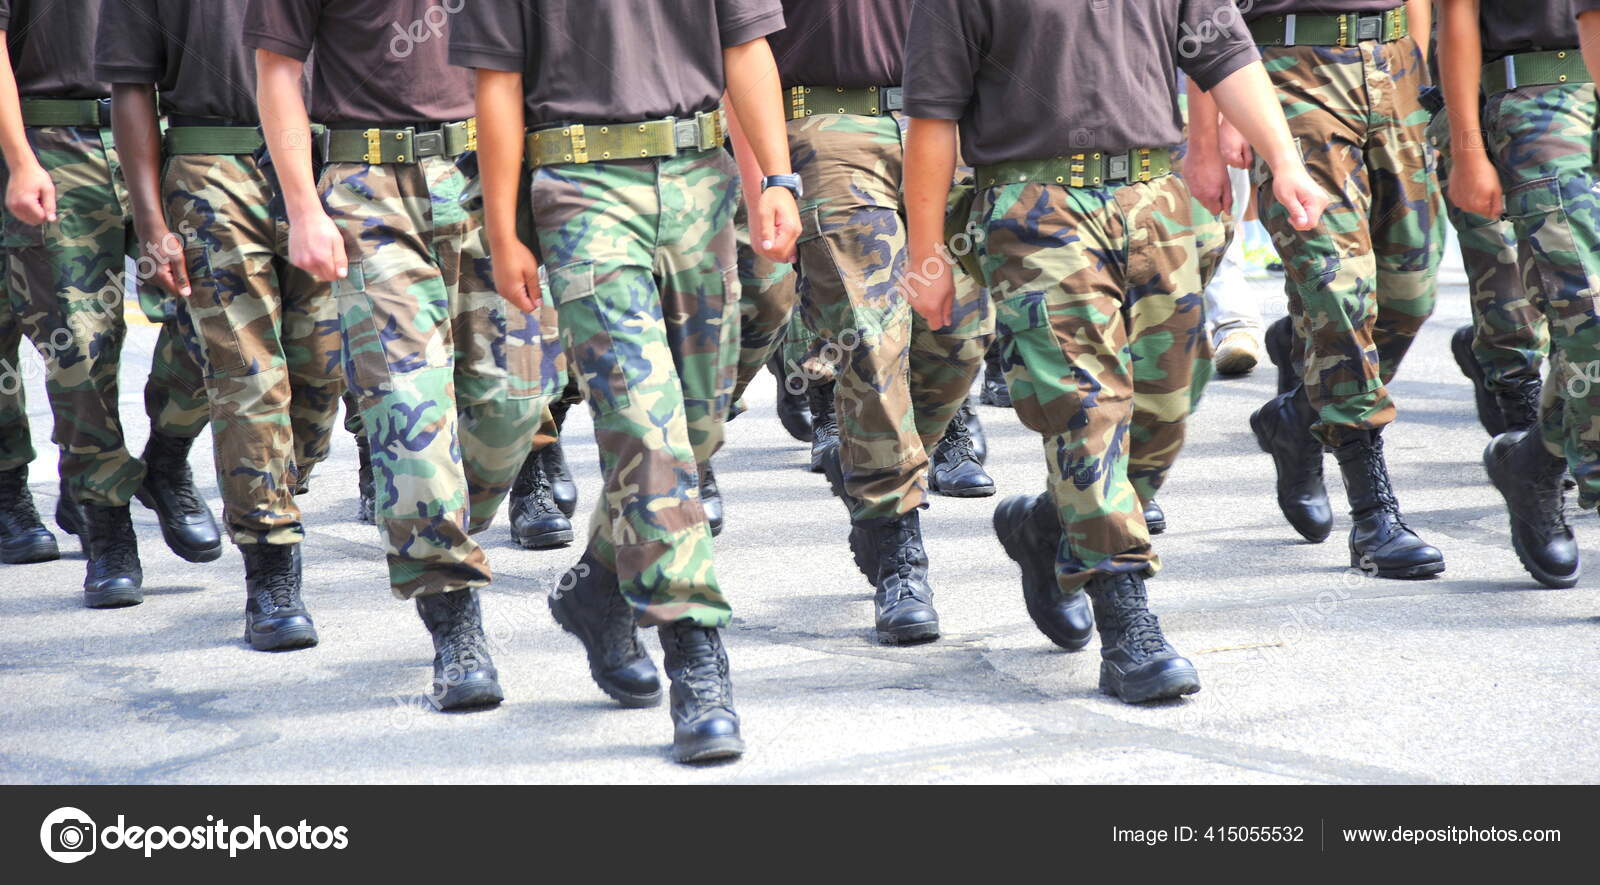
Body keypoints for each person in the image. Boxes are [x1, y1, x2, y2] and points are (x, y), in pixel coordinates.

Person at [903, 0, 1328, 703]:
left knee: (1166, 407)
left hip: (1153, 196)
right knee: (1084, 407)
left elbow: (1225, 54)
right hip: (1033, 203)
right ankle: (1128, 621)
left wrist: (1284, 160)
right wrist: (926, 251)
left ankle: (1049, 526)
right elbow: (933, 115)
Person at [451, 0, 796, 762]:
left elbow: (745, 44)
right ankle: (696, 657)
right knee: (646, 426)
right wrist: (505, 228)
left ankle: (601, 586)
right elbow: (498, 81)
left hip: (698, 181)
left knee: (693, 432)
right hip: (581, 188)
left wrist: (778, 175)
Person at [247, 0, 559, 708]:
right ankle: (454, 620)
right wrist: (303, 208)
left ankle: (437, 515)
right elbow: (277, 71)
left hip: (487, 175)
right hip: (371, 188)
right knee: (408, 411)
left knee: (520, 397)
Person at [97, 0, 347, 649]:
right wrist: (151, 223)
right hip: (212, 167)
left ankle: (171, 460)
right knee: (247, 370)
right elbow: (132, 88)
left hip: (319, 160)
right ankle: (272, 571)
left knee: (321, 366)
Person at [759, 0, 997, 645]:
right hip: (830, 120)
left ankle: (869, 461)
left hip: (953, 120)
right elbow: (739, 38)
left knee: (963, 333)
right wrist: (767, 172)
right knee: (871, 334)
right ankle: (898, 546)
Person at [0, 0, 219, 609]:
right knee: (80, 346)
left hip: (169, 132)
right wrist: (20, 159)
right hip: (54, 140)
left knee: (214, 314)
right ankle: (107, 526)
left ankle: (168, 459)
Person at [1241, 0, 1447, 580]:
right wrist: (1215, 128)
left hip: (1396, 67)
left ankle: (1299, 415)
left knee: (1409, 296)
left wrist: (1418, 72)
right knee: (1335, 286)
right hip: (1290, 68)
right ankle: (1374, 514)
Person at [1444, 0, 1599, 589]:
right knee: (1585, 315)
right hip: (1540, 99)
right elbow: (1457, 19)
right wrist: (1466, 150)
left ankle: (1533, 461)